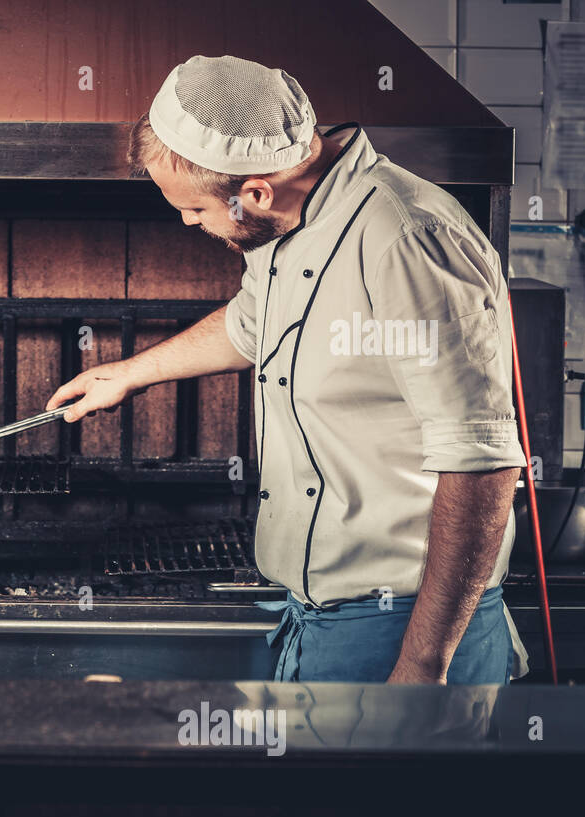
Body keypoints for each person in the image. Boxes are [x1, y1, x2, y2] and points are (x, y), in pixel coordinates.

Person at [48, 55, 528, 685]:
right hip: (317, 620)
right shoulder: (293, 221)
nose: (188, 223)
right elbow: (253, 323)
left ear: (255, 193)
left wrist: (421, 668)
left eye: (194, 211)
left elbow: (481, 462)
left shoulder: (406, 239)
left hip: (404, 630)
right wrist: (133, 372)